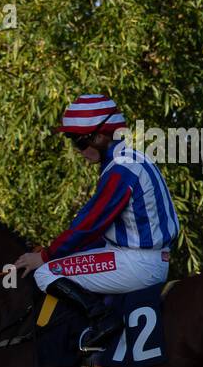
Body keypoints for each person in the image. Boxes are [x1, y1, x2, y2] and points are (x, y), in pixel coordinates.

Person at [14, 94, 180, 352]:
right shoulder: (133, 158)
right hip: (147, 258)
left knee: (47, 272)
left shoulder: (119, 169)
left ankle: (103, 319)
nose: (78, 151)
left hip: (136, 264)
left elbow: (89, 225)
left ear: (100, 137)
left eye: (78, 142)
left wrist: (46, 256)